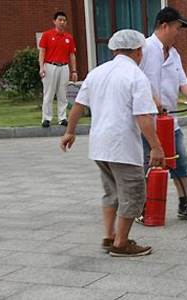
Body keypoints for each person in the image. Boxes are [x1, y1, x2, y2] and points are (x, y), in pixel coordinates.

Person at [60, 29, 165, 257]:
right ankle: (121, 243)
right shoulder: (136, 76)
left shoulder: (97, 72)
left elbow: (78, 105)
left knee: (112, 192)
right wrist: (156, 146)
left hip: (99, 145)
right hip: (122, 145)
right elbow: (143, 116)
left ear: (115, 49)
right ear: (138, 51)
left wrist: (70, 132)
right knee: (133, 193)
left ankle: (109, 236)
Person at [137, 7, 187, 222]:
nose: (178, 33)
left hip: (169, 122)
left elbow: (184, 85)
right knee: (149, 165)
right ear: (164, 26)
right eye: (176, 28)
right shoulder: (143, 49)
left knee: (180, 162)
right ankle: (144, 206)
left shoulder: (173, 54)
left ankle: (184, 204)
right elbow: (136, 82)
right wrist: (155, 102)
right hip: (146, 122)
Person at [39, 11, 77, 128]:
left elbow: (72, 54)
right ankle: (46, 118)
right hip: (50, 66)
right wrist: (41, 67)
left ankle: (62, 117)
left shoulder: (68, 38)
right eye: (60, 20)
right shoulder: (47, 35)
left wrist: (74, 70)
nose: (62, 22)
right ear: (54, 21)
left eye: (64, 20)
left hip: (64, 66)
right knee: (49, 93)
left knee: (62, 94)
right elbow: (42, 52)